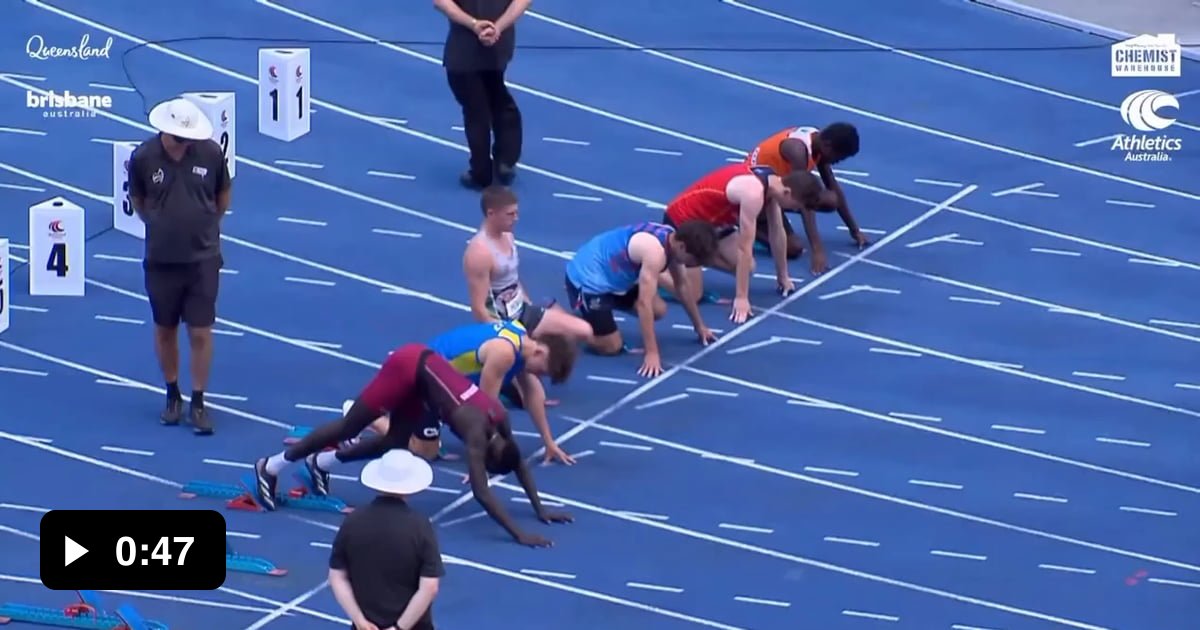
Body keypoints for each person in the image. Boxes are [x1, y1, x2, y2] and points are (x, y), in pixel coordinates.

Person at [253, 344, 508, 510]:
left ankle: (321, 463)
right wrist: (520, 533)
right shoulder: (482, 422)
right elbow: (482, 491)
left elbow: (516, 462)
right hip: (407, 369)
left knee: (394, 444)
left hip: (422, 386)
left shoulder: (492, 417)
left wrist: (539, 507)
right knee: (348, 428)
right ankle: (271, 466)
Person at [128, 97, 231, 435]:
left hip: (202, 259)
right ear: (165, 131)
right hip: (161, 260)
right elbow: (138, 200)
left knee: (201, 331)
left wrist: (203, 226)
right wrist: (159, 223)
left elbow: (222, 196)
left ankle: (198, 400)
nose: (186, 144)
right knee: (165, 328)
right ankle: (173, 394)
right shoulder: (143, 158)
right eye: (179, 138)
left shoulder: (211, 154)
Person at [463, 186, 592, 407]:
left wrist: (531, 307)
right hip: (503, 323)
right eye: (510, 214)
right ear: (492, 213)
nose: (516, 218)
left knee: (584, 331)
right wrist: (508, 335)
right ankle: (509, 381)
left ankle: (516, 377)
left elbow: (514, 279)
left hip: (522, 310)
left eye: (516, 213)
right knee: (532, 396)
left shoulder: (509, 238)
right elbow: (479, 308)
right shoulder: (479, 253)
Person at [661, 163, 822, 324]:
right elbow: (744, 247)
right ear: (787, 193)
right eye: (795, 206)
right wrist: (741, 298)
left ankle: (694, 261)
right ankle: (656, 271)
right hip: (685, 224)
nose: (793, 210)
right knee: (694, 294)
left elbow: (777, 232)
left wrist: (783, 276)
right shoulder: (753, 194)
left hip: (714, 226)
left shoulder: (774, 184)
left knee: (747, 267)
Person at [564, 221, 718, 378]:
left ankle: (596, 314)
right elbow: (644, 304)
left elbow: (682, 286)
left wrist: (700, 326)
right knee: (611, 346)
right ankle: (566, 325)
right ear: (682, 247)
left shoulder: (673, 239)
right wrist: (651, 353)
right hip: (587, 282)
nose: (691, 266)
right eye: (692, 261)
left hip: (615, 281)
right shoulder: (654, 253)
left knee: (659, 310)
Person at [426, 320, 577, 465]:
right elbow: (484, 409)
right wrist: (480, 463)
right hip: (428, 374)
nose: (539, 375)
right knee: (425, 451)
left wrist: (548, 441)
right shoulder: (504, 354)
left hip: (446, 369)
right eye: (541, 371)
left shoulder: (521, 338)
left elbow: (533, 396)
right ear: (540, 352)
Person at [328, 450, 443, 630]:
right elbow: (429, 587)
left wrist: (359, 620)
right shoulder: (419, 526)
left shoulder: (353, 521)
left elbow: (337, 576)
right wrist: (398, 627)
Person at [434, 0, 532, 189]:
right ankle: (505, 161)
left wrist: (474, 25)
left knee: (475, 111)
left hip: (465, 47)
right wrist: (498, 27)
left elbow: (441, 2)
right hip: (498, 44)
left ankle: (481, 172)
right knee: (498, 99)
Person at [746, 123, 866, 274]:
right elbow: (804, 201)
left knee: (832, 200)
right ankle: (747, 228)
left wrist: (854, 230)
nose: (837, 162)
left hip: (774, 189)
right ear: (828, 146)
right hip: (753, 194)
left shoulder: (818, 142)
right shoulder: (798, 151)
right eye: (839, 158)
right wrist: (817, 249)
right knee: (793, 248)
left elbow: (832, 185)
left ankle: (765, 221)